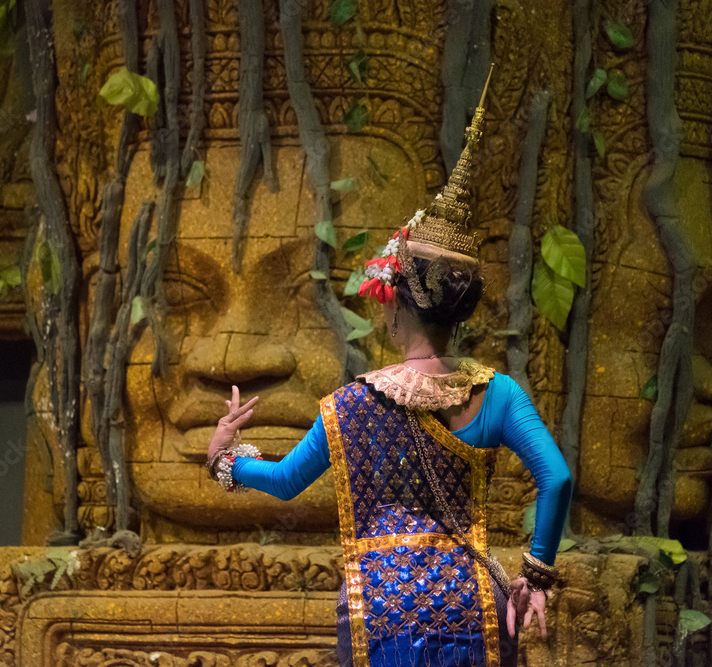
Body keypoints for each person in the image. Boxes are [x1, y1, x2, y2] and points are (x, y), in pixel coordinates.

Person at [205, 71, 573, 667]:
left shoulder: (350, 404)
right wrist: (536, 576)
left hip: (378, 616)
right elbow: (556, 479)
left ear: (397, 304)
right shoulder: (499, 394)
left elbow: (286, 481)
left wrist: (225, 459)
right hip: (472, 610)